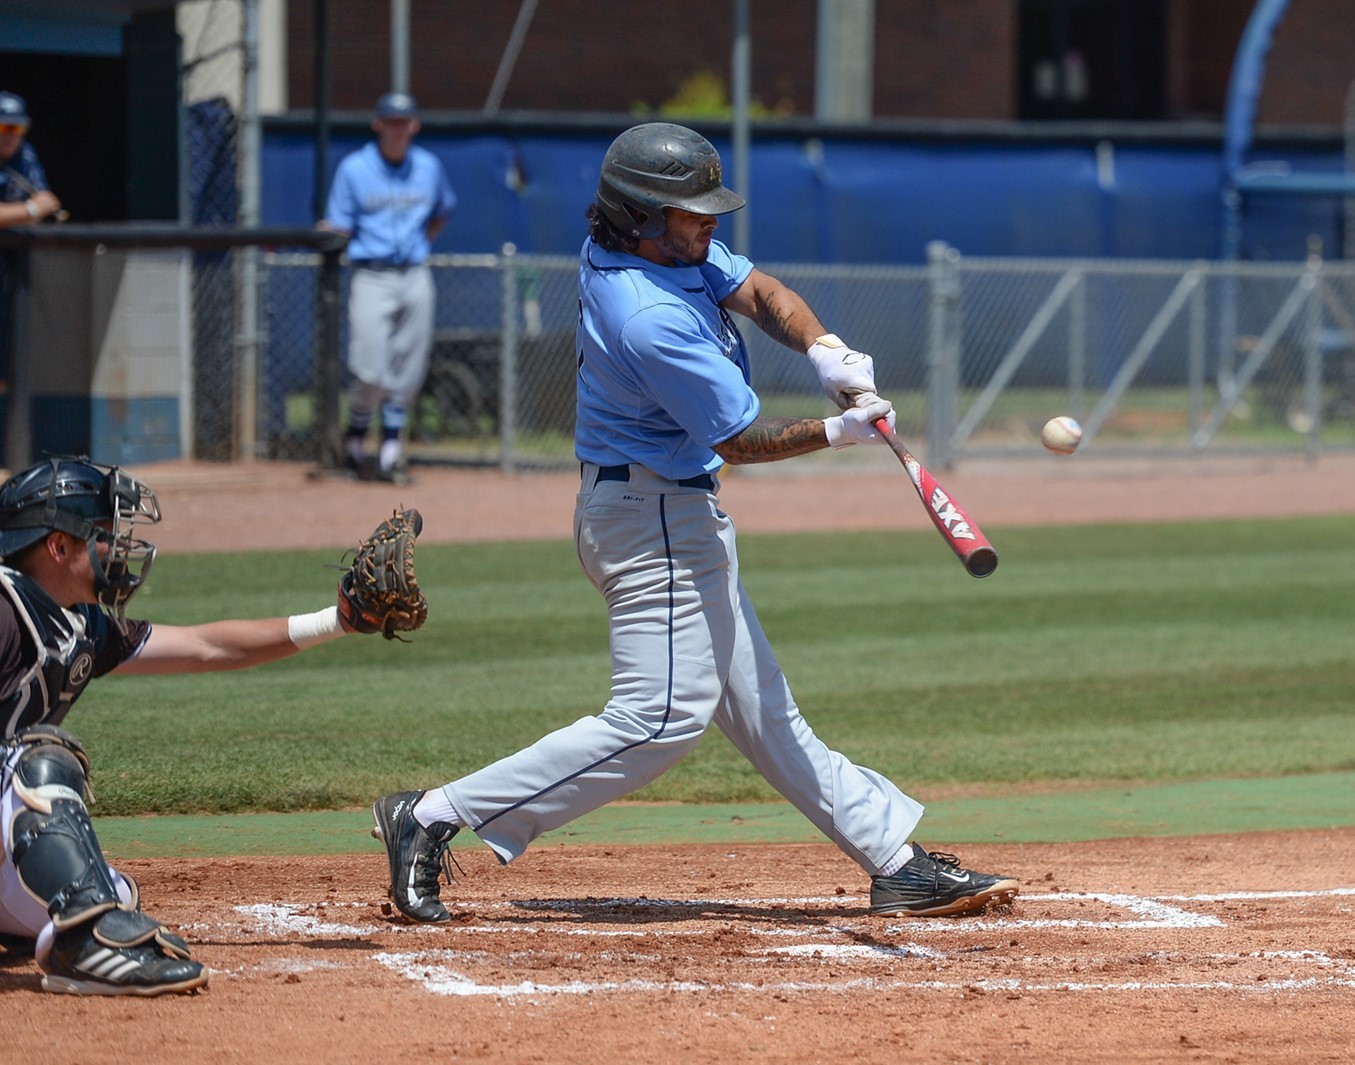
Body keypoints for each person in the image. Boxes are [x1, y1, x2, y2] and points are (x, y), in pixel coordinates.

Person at [370, 122, 1020, 924]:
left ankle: (894, 862)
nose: (709, 222)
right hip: (650, 521)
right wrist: (838, 430)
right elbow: (737, 440)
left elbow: (761, 292)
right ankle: (432, 814)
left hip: (664, 508)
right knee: (660, 720)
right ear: (641, 215)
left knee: (767, 713)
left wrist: (825, 348)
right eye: (692, 211)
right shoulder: (646, 314)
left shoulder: (658, 251)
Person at [0, 457, 409, 995]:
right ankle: (85, 948)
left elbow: (205, 647)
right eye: (101, 534)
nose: (117, 548)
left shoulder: (79, 623)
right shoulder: (5, 608)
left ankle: (70, 930)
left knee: (108, 895)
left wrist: (339, 621)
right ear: (58, 546)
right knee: (39, 761)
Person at [319, 91, 456, 485]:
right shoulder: (355, 168)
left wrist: (422, 242)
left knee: (409, 368)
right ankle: (356, 438)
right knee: (370, 368)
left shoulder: (428, 166)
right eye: (391, 122)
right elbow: (338, 224)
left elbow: (443, 210)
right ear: (378, 124)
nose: (398, 129)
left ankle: (391, 451)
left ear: (414, 126)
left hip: (414, 272)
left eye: (404, 122)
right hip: (371, 273)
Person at [0, 92, 63, 229]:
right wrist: (30, 210)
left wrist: (35, 210)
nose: (9, 135)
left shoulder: (25, 153)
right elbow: (36, 208)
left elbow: (43, 201)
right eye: (2, 127)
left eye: (17, 128)